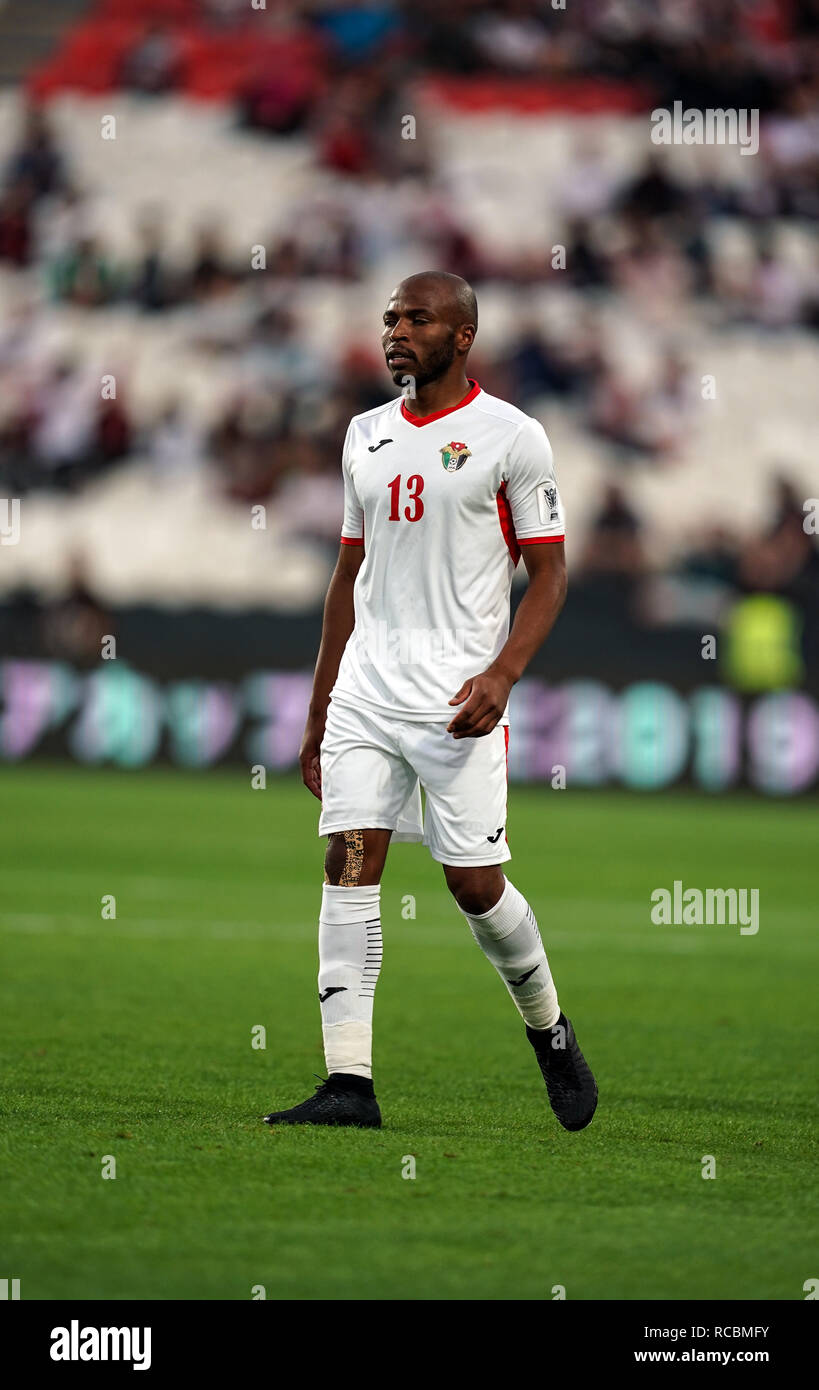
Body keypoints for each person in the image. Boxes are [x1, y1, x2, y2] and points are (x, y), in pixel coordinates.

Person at [263, 271, 597, 1132]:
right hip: (366, 696)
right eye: (388, 318)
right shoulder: (363, 436)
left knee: (475, 886)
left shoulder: (511, 438)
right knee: (346, 866)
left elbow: (550, 573)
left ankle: (548, 1030)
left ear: (461, 336)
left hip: (457, 701)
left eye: (417, 318)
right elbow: (347, 575)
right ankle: (349, 1084)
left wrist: (502, 675)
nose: (395, 331)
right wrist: (319, 706)